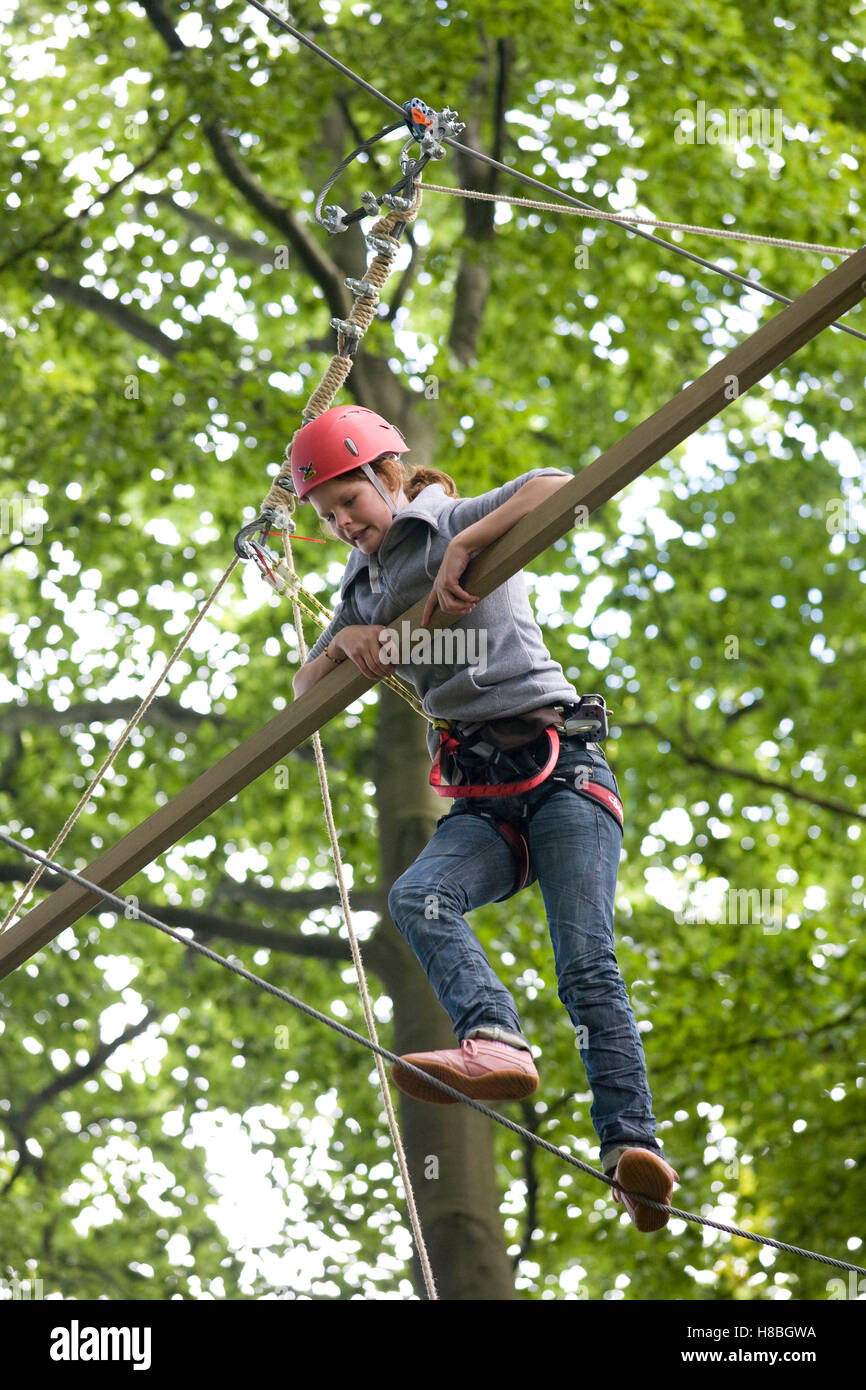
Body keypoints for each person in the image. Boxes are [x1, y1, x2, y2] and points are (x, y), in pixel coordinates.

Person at [290, 404, 678, 1231]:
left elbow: (559, 484)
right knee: (417, 896)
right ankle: (494, 1038)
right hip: (484, 800)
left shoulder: (446, 519)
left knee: (585, 960)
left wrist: (471, 543)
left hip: (563, 772)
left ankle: (631, 1148)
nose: (343, 523)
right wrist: (342, 645)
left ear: (388, 476)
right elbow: (303, 689)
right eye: (325, 517)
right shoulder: (361, 589)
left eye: (349, 501)